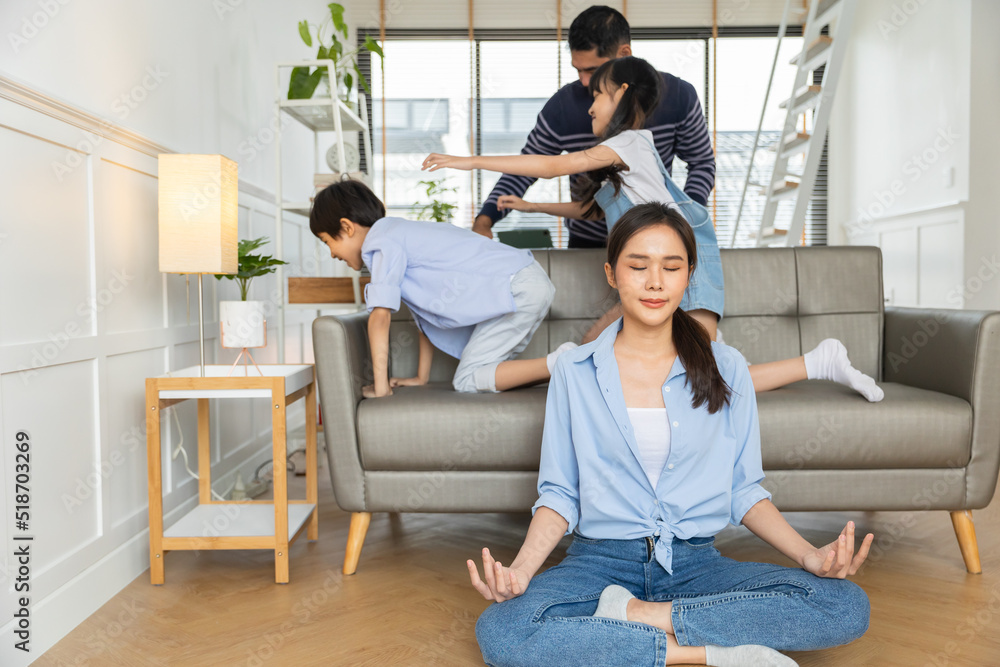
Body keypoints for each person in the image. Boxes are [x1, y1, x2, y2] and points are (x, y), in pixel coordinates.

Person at [468, 203, 873, 667]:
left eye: (672, 267)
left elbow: (743, 490)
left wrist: (810, 557)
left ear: (689, 276)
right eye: (638, 266)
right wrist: (521, 571)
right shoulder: (574, 370)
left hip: (696, 565)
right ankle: (704, 652)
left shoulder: (727, 367)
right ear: (612, 273)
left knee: (843, 606)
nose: (655, 282)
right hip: (598, 564)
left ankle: (637, 616)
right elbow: (560, 493)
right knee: (503, 632)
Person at [423, 56, 883, 402]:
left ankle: (819, 361)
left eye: (598, 95)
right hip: (652, 273)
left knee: (712, 380)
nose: (590, 107)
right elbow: (591, 211)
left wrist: (468, 161)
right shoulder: (621, 162)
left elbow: (554, 164)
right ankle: (808, 360)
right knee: (592, 351)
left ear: (622, 93)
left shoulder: (632, 144)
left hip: (683, 267)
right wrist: (531, 205)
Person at [471, 5, 715, 248]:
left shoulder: (679, 97)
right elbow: (527, 168)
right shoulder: (562, 107)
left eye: (593, 70)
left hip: (651, 242)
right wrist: (485, 220)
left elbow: (701, 163)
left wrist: (686, 221)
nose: (585, 82)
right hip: (586, 242)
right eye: (578, 70)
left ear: (624, 53)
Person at [308, 180, 577, 396]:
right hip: (525, 282)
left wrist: (381, 389)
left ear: (346, 227)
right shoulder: (397, 234)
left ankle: (563, 361)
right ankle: (560, 367)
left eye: (326, 241)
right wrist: (420, 377)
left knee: (467, 379)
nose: (332, 254)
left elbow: (380, 317)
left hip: (516, 287)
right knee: (484, 373)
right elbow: (425, 320)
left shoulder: (379, 243)